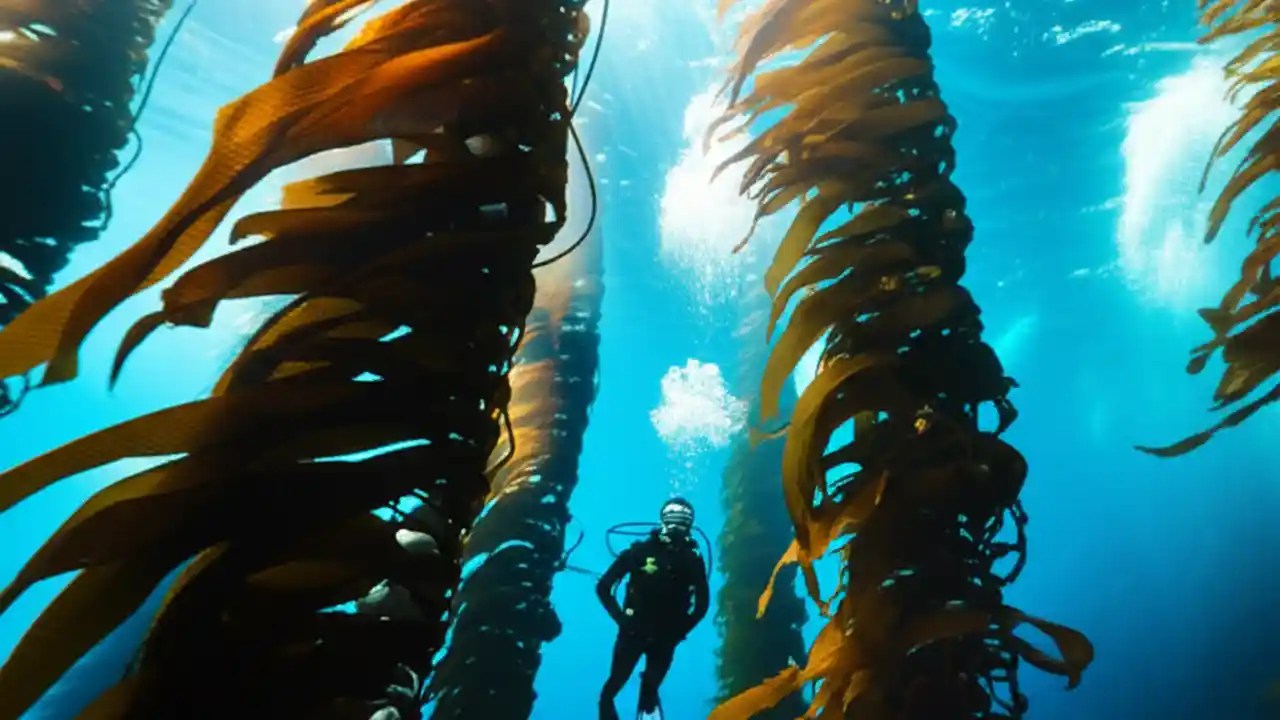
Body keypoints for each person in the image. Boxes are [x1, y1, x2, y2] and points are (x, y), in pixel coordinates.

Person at [596, 497, 710, 720]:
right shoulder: (638, 552)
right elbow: (603, 588)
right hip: (635, 632)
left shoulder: (692, 559)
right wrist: (621, 619)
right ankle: (610, 708)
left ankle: (647, 708)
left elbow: (703, 604)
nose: (677, 526)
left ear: (690, 525)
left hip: (663, 636)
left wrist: (681, 630)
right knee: (616, 683)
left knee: (650, 685)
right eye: (672, 520)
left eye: (683, 521)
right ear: (663, 521)